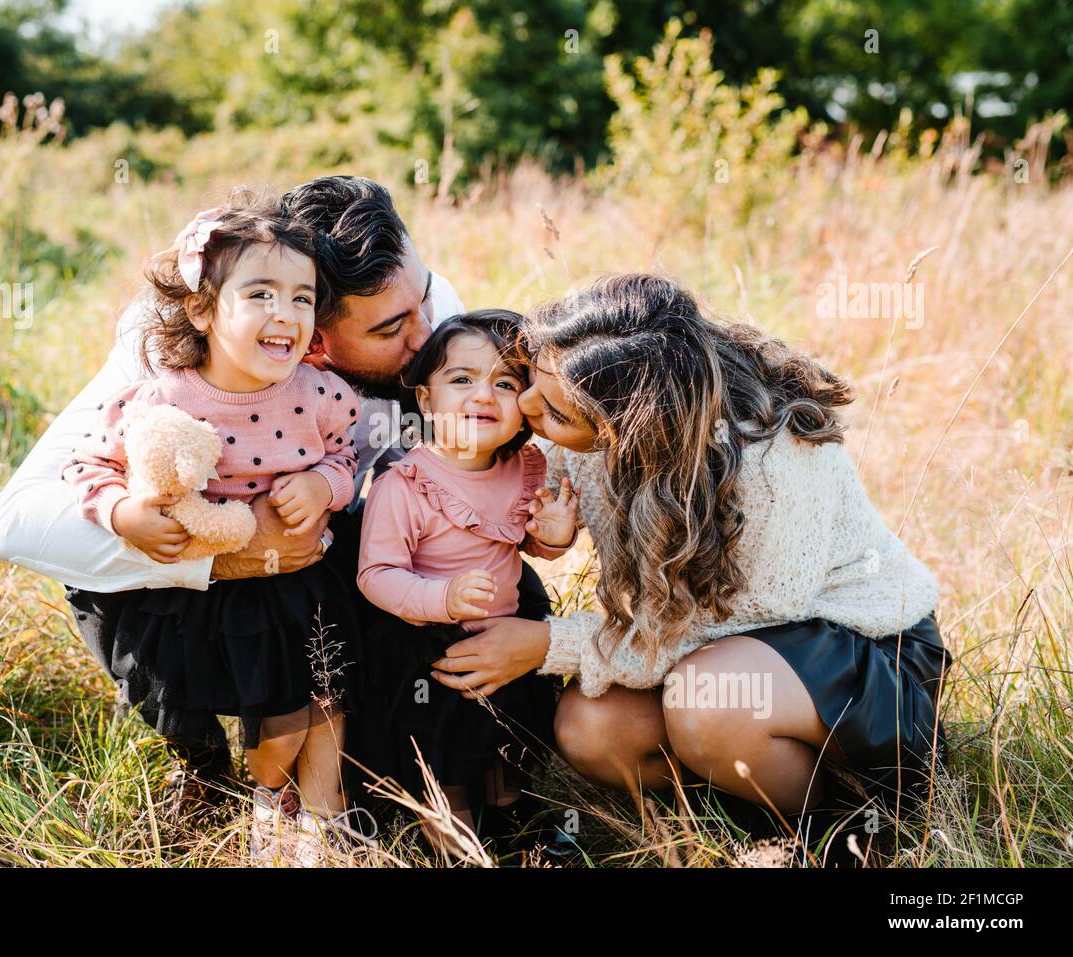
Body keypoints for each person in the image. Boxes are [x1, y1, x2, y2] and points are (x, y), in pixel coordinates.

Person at [433, 273, 952, 820]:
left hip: (861, 650)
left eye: (557, 415)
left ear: (633, 429)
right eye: (534, 377)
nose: (530, 409)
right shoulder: (592, 400)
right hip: (724, 663)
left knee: (707, 700)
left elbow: (728, 621)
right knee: (592, 727)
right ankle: (741, 810)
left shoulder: (769, 460)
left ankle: (845, 829)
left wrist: (546, 643)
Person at [62, 191, 362, 864]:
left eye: (301, 298)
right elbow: (89, 465)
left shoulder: (319, 393)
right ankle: (206, 777)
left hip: (294, 589)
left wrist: (324, 485)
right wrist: (122, 512)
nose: (284, 313)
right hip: (197, 592)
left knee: (305, 710)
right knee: (193, 699)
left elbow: (349, 456)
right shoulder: (163, 396)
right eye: (260, 294)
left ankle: (305, 814)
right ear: (202, 308)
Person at [355, 311, 578, 857]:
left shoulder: (525, 467)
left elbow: (525, 543)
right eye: (462, 379)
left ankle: (516, 826)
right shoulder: (404, 485)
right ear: (426, 402)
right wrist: (443, 598)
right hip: (429, 645)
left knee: (507, 739)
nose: (484, 395)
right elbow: (376, 575)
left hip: (508, 630)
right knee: (445, 751)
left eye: (505, 383)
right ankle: (457, 844)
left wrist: (554, 536)